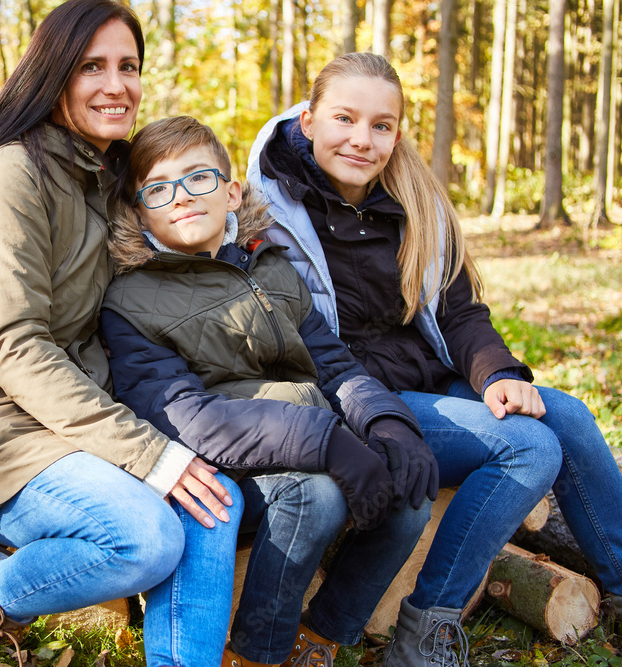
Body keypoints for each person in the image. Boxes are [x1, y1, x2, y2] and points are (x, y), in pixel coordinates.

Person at [247, 51, 622, 667]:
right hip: (353, 398)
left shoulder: (411, 198)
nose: (362, 140)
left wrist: (497, 373)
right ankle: (426, 628)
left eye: (381, 125)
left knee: (571, 418)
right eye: (344, 118)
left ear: (398, 133)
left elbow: (458, 308)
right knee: (530, 448)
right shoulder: (266, 211)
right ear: (308, 121)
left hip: (428, 379)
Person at [0, 3, 241, 667]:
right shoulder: (10, 174)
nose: (117, 85)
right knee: (144, 538)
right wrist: (149, 454)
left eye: (129, 67)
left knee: (211, 502)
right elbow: (13, 346)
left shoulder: (111, 173)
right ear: (55, 75)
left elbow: (185, 235)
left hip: (76, 402)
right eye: (93, 67)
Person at [100, 115, 438, 667]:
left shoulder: (270, 265)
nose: (182, 196)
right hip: (221, 469)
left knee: (410, 495)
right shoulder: (130, 302)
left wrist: (386, 422)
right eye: (158, 189)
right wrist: (327, 441)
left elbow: (334, 364)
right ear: (140, 213)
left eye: (199, 178)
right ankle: (258, 653)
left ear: (232, 192)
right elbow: (189, 418)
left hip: (308, 436)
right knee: (315, 496)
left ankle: (323, 635)